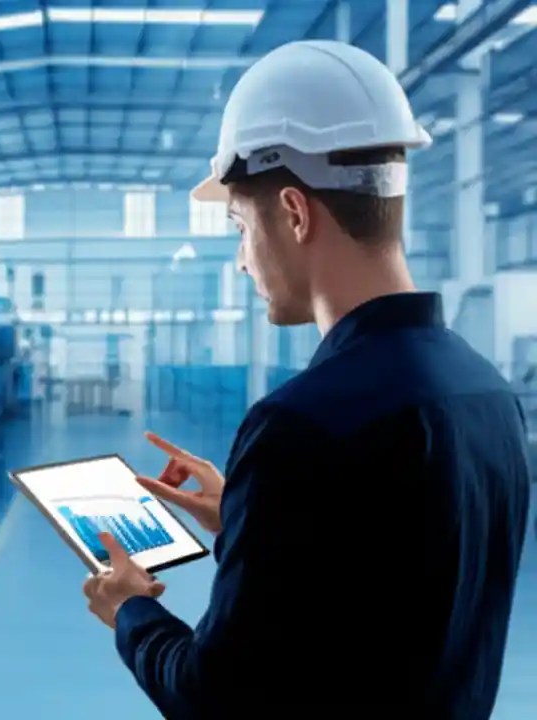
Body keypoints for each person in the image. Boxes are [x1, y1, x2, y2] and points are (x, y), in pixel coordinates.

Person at [81, 40, 531, 718]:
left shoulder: (300, 426)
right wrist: (245, 516)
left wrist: (131, 614)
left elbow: (216, 698)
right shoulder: (488, 395)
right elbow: (378, 594)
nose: (240, 261)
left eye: (239, 226)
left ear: (293, 213)